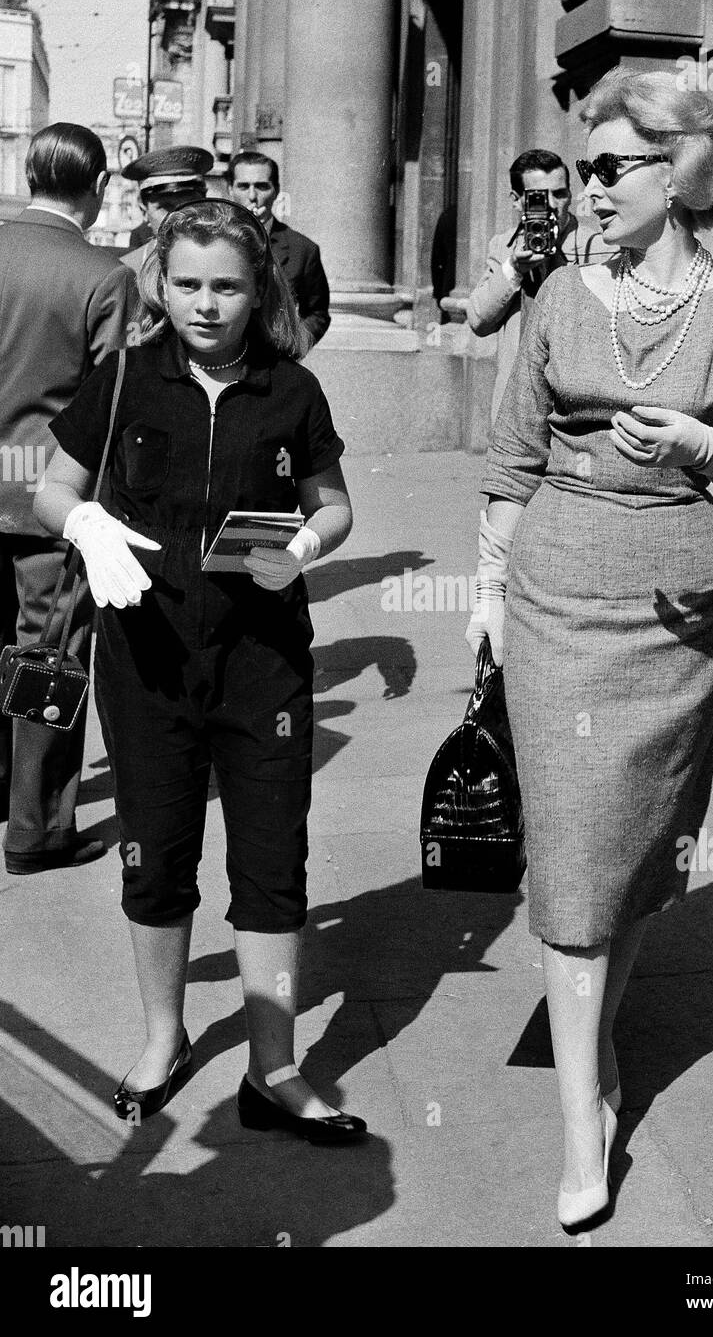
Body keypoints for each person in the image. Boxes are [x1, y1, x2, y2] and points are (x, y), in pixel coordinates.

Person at [465, 68, 713, 1231]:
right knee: (570, 851)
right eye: (582, 172)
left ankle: (597, 1033)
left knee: (630, 848)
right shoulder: (561, 294)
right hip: (557, 592)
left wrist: (704, 444)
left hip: (677, 611)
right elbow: (512, 458)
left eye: (609, 170)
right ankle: (584, 1116)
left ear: (678, 175)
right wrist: (483, 588)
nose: (588, 191)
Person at [34, 199, 365, 1141]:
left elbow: (333, 507)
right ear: (160, 284)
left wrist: (302, 544)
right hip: (144, 657)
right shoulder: (126, 376)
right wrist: (85, 524)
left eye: (226, 286)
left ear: (259, 290)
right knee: (156, 849)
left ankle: (275, 1066)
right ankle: (162, 1037)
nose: (206, 304)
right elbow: (51, 487)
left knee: (271, 858)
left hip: (262, 661)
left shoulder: (291, 390)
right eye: (187, 285)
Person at [0, 122, 130, 874]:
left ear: (27, 174)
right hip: (49, 498)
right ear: (99, 186)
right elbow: (111, 401)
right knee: (46, 657)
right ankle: (38, 827)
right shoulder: (103, 276)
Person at [467, 148, 608, 424]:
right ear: (517, 201)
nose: (552, 205)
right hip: (517, 403)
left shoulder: (599, 246)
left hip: (574, 406)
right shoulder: (504, 246)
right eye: (538, 197)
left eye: (560, 193)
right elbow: (478, 320)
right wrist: (514, 269)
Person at [227, 150, 331, 347]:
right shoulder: (213, 240)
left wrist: (293, 348)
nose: (252, 196)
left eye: (261, 187)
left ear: (276, 191)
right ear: (230, 189)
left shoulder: (303, 250)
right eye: (243, 186)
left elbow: (317, 314)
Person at [119, 145, 212, 277]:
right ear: (143, 209)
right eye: (165, 207)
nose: (178, 218)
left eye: (188, 205)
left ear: (204, 203)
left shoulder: (226, 265)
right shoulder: (127, 273)